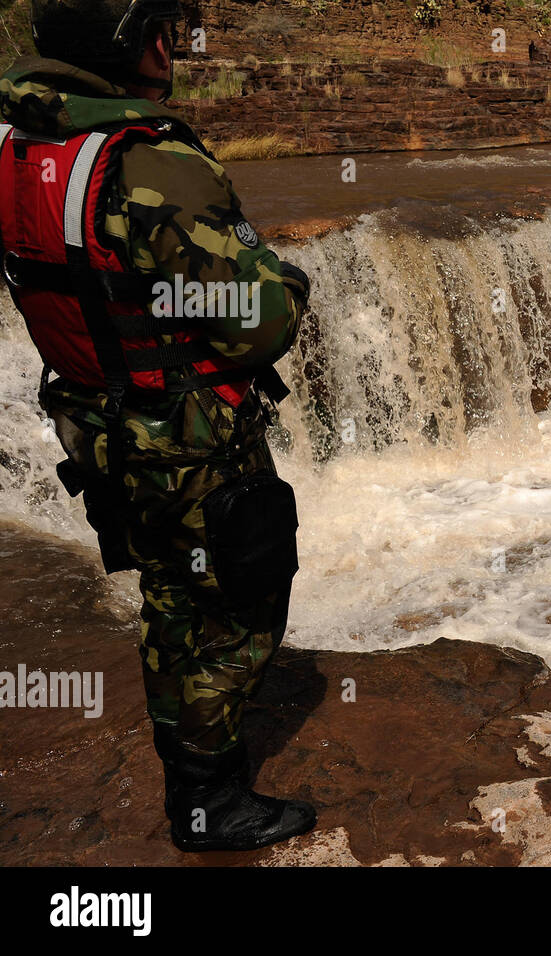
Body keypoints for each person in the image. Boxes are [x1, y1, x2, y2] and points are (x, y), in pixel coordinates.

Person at [1, 0, 316, 851]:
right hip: (186, 439)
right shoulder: (154, 164)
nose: (172, 45)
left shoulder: (21, 148)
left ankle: (197, 773)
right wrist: (286, 282)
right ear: (135, 44)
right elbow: (255, 325)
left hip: (97, 426)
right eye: (162, 30)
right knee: (233, 602)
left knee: (173, 596)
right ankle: (210, 804)